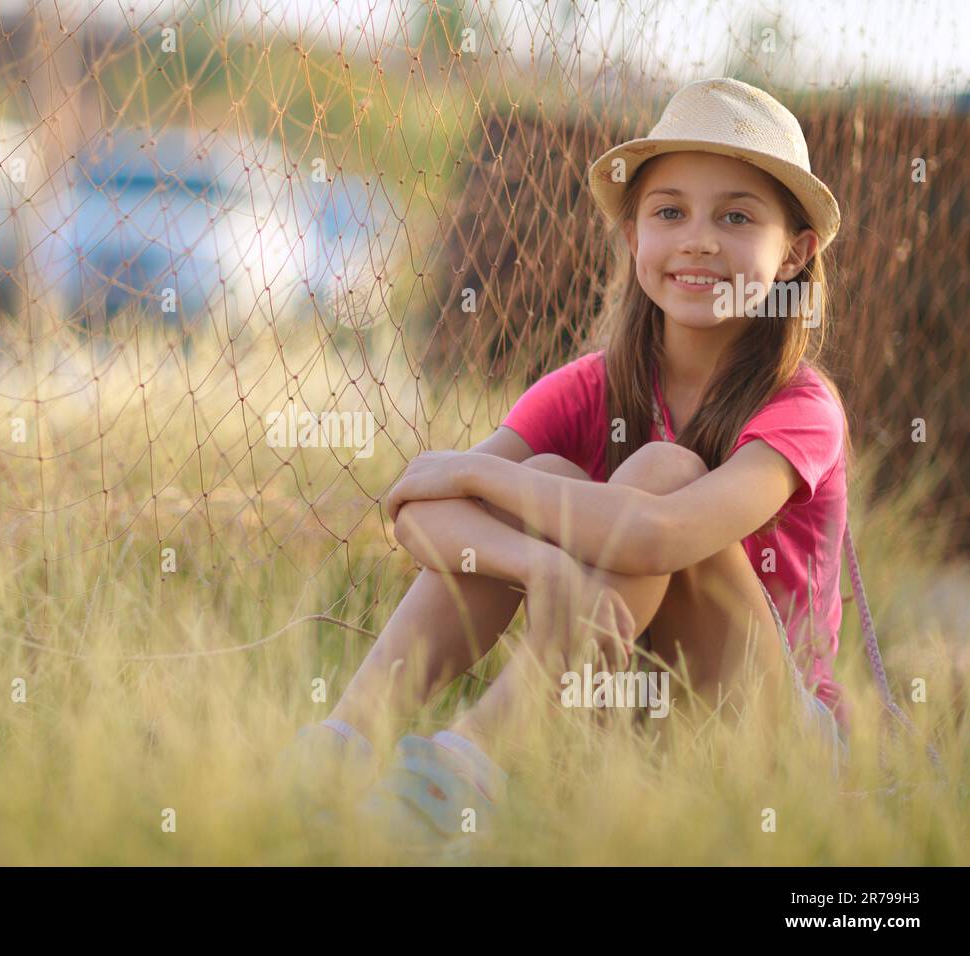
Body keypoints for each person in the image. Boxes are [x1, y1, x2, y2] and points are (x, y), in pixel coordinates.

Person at [280, 77, 851, 850]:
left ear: (796, 254)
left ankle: (466, 765)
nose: (698, 240)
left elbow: (655, 533)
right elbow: (417, 513)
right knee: (549, 469)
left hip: (772, 739)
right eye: (669, 211)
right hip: (623, 704)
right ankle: (343, 745)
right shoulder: (590, 385)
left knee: (657, 474)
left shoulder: (800, 407)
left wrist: (480, 475)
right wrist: (535, 565)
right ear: (632, 237)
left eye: (738, 217)